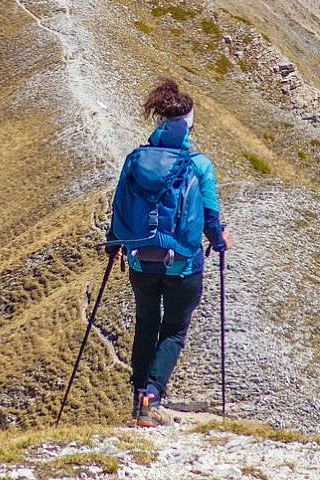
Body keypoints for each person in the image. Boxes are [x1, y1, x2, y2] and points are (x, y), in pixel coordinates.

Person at [105, 78, 230, 427]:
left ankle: (137, 400)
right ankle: (153, 395)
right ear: (188, 124)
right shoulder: (199, 164)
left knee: (146, 323)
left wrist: (114, 244)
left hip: (141, 259)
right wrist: (219, 242)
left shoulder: (136, 159)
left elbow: (120, 207)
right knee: (173, 330)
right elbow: (210, 215)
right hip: (184, 265)